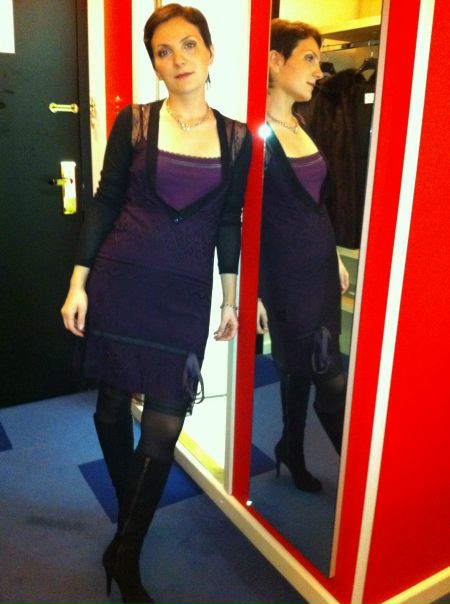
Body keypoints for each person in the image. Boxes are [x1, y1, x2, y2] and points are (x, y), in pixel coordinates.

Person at [61, 5, 251, 603]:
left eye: (189, 45)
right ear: (155, 65)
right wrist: (77, 283)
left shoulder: (238, 139)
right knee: (112, 404)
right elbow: (106, 200)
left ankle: (124, 549)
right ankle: (129, 522)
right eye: (163, 52)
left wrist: (231, 296)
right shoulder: (135, 122)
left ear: (210, 52)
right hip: (121, 283)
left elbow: (228, 220)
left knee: (165, 424)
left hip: (185, 296)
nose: (178, 59)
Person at [257, 19, 349, 493]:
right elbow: (243, 220)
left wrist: (334, 257)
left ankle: (290, 448)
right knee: (331, 380)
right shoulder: (254, 137)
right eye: (309, 58)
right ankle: (361, 484)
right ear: (276, 61)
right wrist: (253, 291)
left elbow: (317, 205)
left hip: (320, 271)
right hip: (286, 281)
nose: (318, 71)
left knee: (299, 368)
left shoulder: (303, 125)